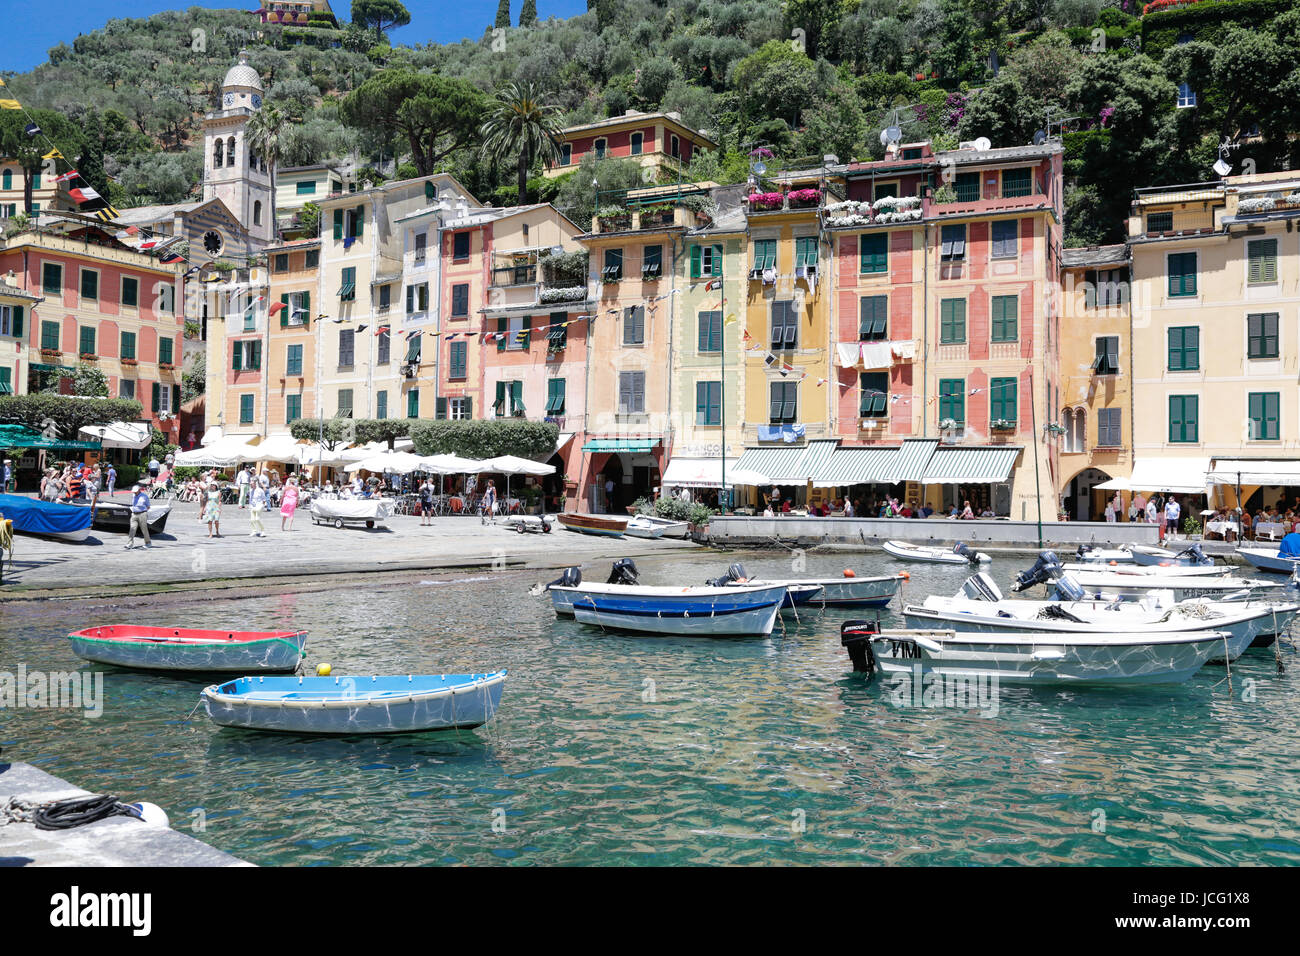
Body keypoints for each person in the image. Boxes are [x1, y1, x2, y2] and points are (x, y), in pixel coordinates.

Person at [124, 483, 153, 550]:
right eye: (134, 491)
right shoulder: (133, 496)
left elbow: (148, 506)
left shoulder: (144, 496)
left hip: (142, 514)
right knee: (132, 529)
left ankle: (148, 542)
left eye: (135, 491)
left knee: (144, 529)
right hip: (134, 514)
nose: (134, 492)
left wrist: (143, 512)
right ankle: (130, 543)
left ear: (139, 490)